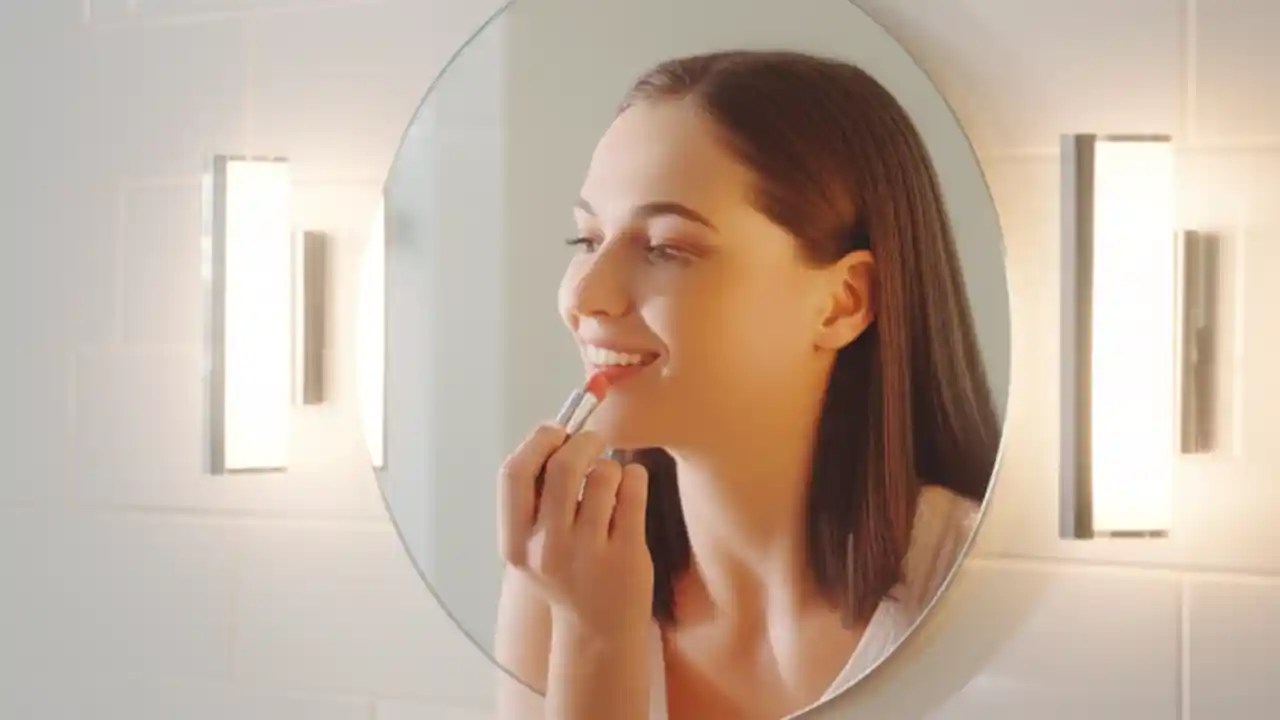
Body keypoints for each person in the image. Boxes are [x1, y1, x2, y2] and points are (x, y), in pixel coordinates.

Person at [493, 49, 1000, 720]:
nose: (586, 295)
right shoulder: (565, 579)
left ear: (842, 302)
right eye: (586, 240)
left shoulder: (980, 589)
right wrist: (595, 636)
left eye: (667, 248)